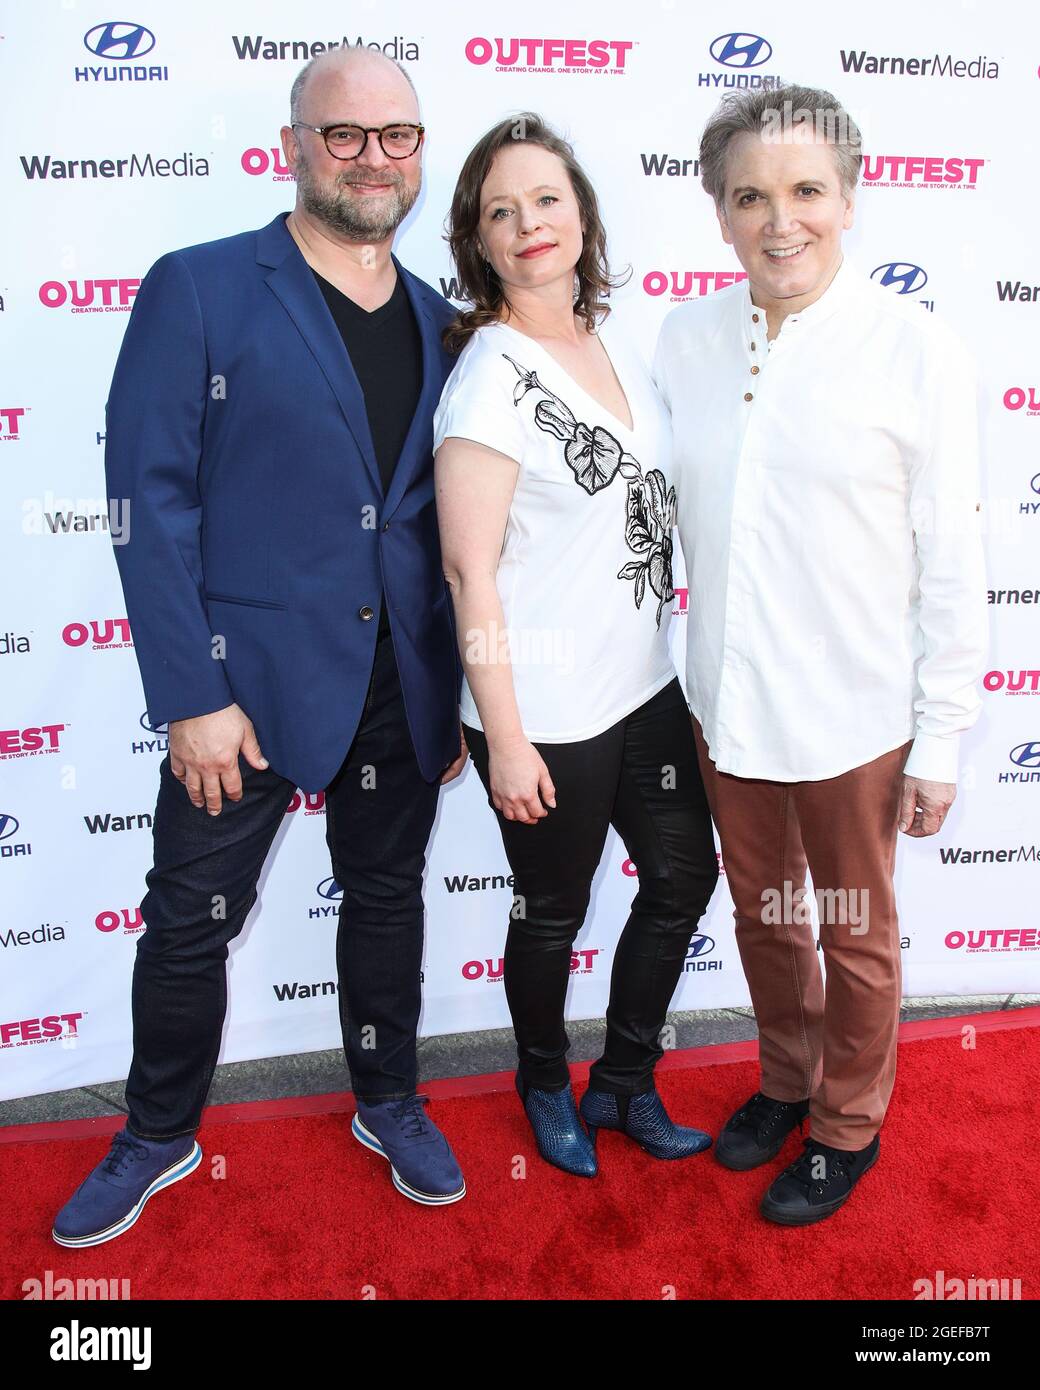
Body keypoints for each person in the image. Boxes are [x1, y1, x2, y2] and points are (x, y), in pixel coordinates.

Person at [53, 47, 469, 1248]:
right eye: (344, 136)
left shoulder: (448, 318)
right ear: (292, 145)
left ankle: (387, 1097)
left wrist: (456, 689)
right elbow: (148, 499)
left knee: (384, 897)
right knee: (190, 918)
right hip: (241, 687)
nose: (372, 158)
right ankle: (156, 1128)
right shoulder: (199, 287)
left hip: (399, 680)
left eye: (396, 136)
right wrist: (190, 692)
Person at [653, 83, 988, 1224]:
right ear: (718, 213)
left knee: (852, 932)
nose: (777, 219)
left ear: (848, 198)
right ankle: (784, 1082)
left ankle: (846, 1123)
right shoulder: (685, 338)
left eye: (803, 190)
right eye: (749, 195)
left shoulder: (914, 350)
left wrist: (939, 734)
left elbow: (949, 556)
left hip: (852, 720)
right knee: (762, 920)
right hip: (726, 707)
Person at [433, 113, 720, 1178]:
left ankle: (625, 1082)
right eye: (500, 211)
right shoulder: (488, 380)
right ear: (479, 243)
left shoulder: (613, 342)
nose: (528, 223)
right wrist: (503, 741)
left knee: (682, 875)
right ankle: (543, 1080)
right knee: (550, 912)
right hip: (542, 705)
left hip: (640, 683)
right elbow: (468, 572)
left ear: (582, 215)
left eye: (545, 199)